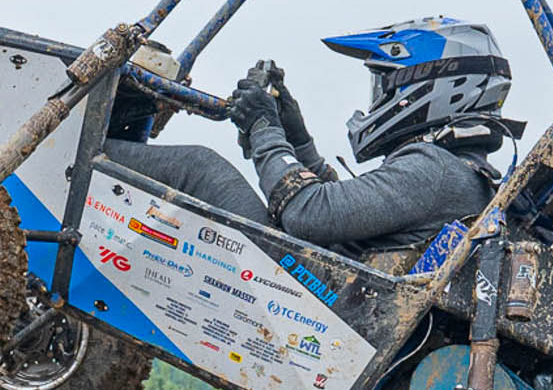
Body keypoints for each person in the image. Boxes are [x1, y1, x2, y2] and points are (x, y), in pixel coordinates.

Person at [107, 18, 516, 263]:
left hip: (316, 298)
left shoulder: (434, 169)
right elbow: (344, 214)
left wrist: (264, 129)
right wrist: (297, 139)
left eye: (384, 84)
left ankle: (69, 157)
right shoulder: (461, 172)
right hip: (329, 289)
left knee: (198, 167)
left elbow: (308, 214)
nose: (378, 98)